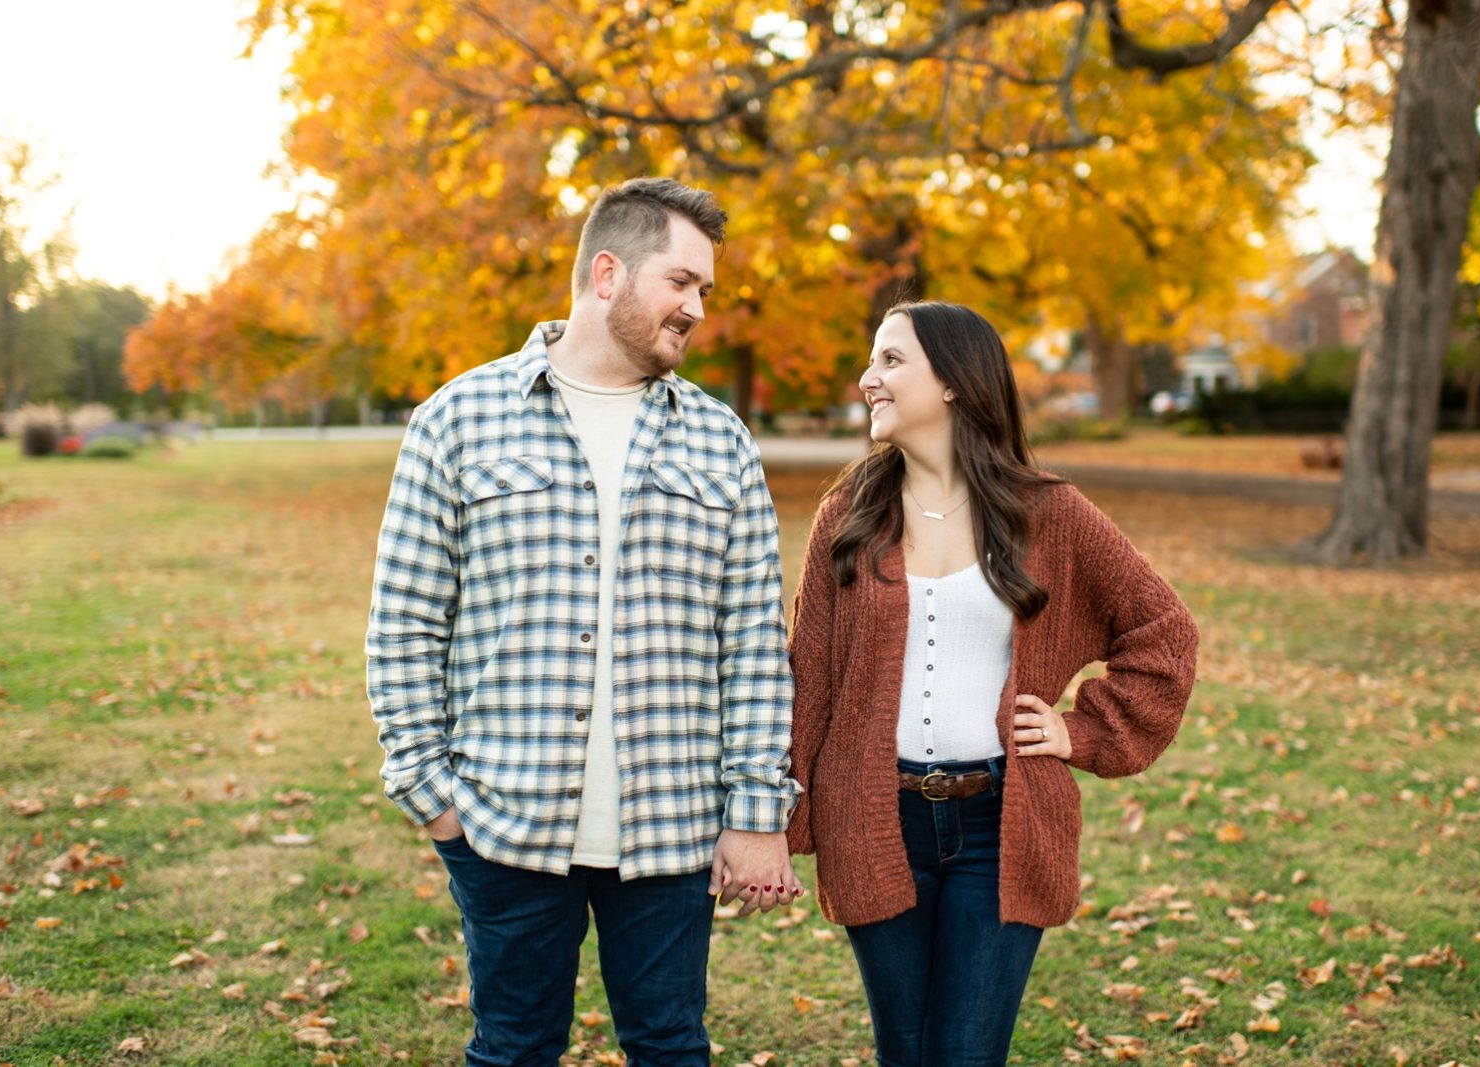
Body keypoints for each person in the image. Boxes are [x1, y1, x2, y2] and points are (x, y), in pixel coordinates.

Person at [366, 177, 802, 1067]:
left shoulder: (721, 441)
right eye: (681, 282)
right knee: (514, 1047)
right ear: (608, 273)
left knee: (672, 1048)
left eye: (705, 292)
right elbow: (406, 620)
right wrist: (431, 794)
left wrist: (757, 809)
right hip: (502, 823)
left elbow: (753, 643)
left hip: (673, 831)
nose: (697, 309)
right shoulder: (456, 419)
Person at [785, 300, 1198, 1066]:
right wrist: (778, 823)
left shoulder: (1050, 513)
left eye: (890, 360)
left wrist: (1084, 730)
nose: (868, 378)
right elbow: (808, 678)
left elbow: (1164, 633)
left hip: (1001, 825)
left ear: (952, 380)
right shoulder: (847, 513)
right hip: (877, 818)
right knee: (903, 1051)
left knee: (966, 1053)